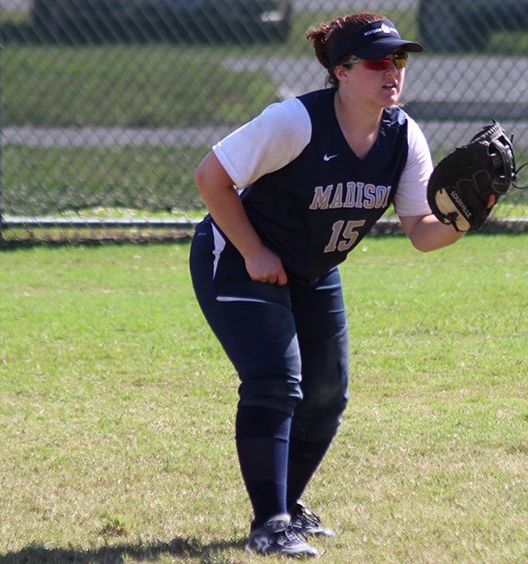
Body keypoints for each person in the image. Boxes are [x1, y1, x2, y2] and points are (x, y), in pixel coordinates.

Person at [189, 12, 471, 558]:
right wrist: (254, 250)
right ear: (340, 72)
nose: (392, 70)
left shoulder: (403, 134)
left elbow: (420, 231)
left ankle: (287, 508)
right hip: (237, 256)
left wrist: (466, 218)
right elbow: (211, 178)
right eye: (376, 60)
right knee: (275, 380)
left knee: (327, 394)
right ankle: (269, 524)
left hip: (313, 270)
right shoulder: (295, 122)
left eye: (399, 59)